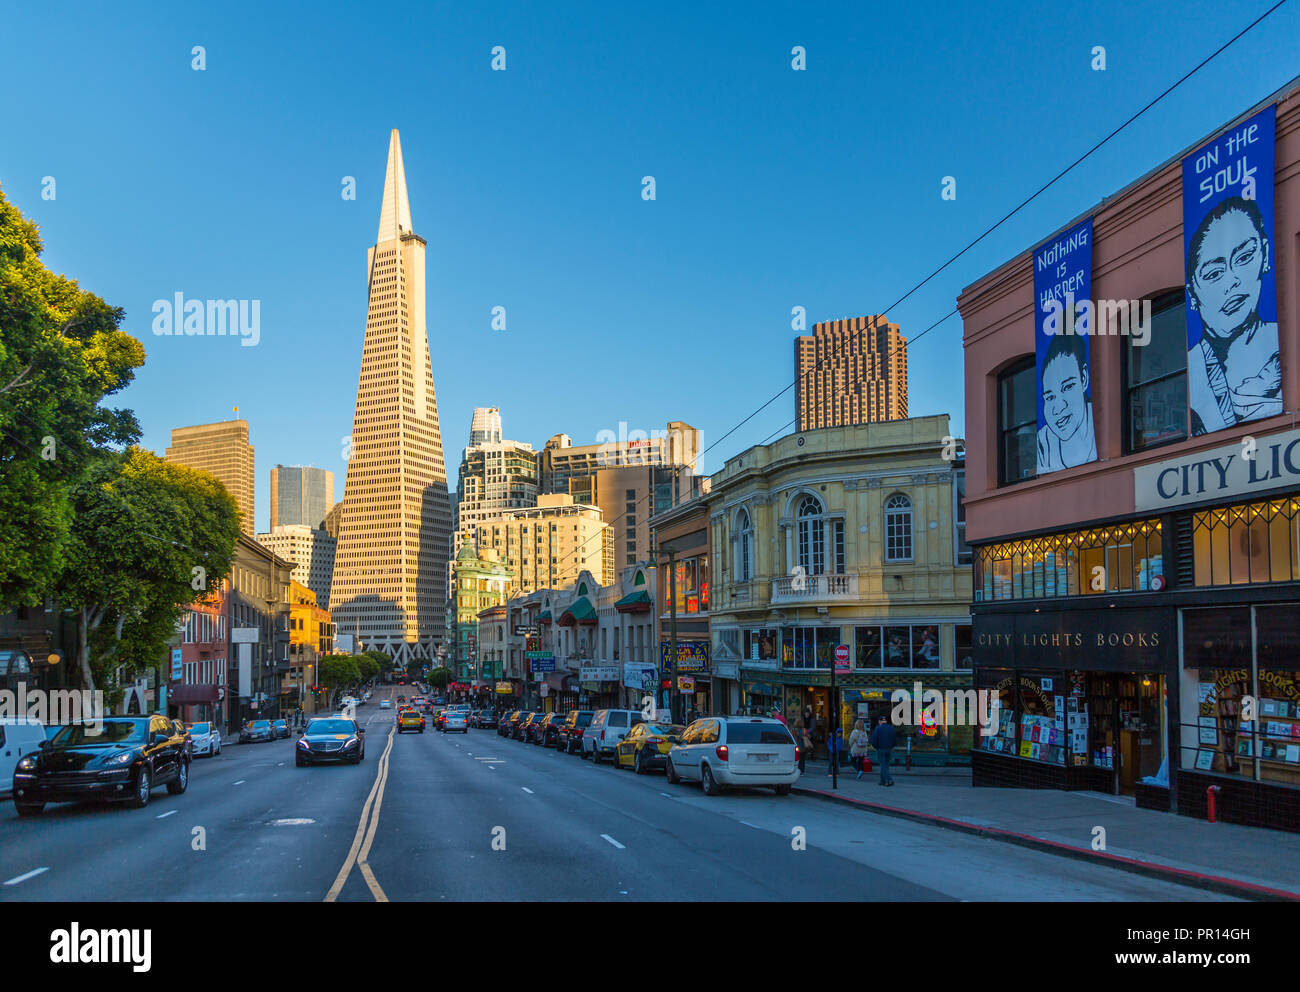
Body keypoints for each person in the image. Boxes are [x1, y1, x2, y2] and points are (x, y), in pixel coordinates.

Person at [1185, 195, 1281, 435]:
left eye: (1245, 257)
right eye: (1214, 273)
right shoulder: (1191, 368)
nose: (1233, 281)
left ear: (1265, 255)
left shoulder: (1287, 338)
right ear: (1193, 294)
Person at [1036, 331, 1097, 472]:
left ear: (1084, 378)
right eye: (1050, 397)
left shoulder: (1101, 421)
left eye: (1068, 387)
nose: (1058, 408)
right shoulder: (1043, 442)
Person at [869, 716, 897, 786]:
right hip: (889, 749)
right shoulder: (891, 728)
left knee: (883, 765)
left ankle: (889, 779)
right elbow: (894, 738)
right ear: (886, 721)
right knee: (886, 765)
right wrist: (893, 746)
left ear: (880, 721)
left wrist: (874, 746)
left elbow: (874, 739)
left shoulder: (878, 728)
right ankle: (883, 780)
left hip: (881, 749)